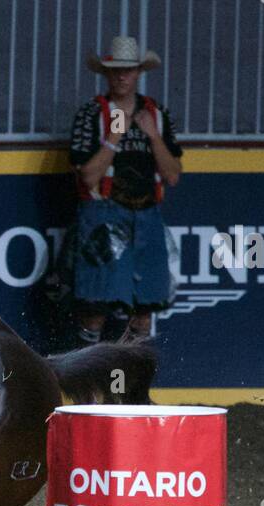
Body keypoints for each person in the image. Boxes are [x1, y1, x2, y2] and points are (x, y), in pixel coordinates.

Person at [67, 35, 183, 343]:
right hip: (103, 214)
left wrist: (154, 137)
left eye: (128, 69)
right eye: (115, 69)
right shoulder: (91, 114)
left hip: (146, 215)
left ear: (138, 73)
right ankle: (88, 381)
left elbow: (172, 175)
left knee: (145, 307)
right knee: (97, 304)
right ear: (105, 73)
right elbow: (88, 177)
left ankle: (133, 387)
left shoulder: (156, 114)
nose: (121, 75)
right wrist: (113, 138)